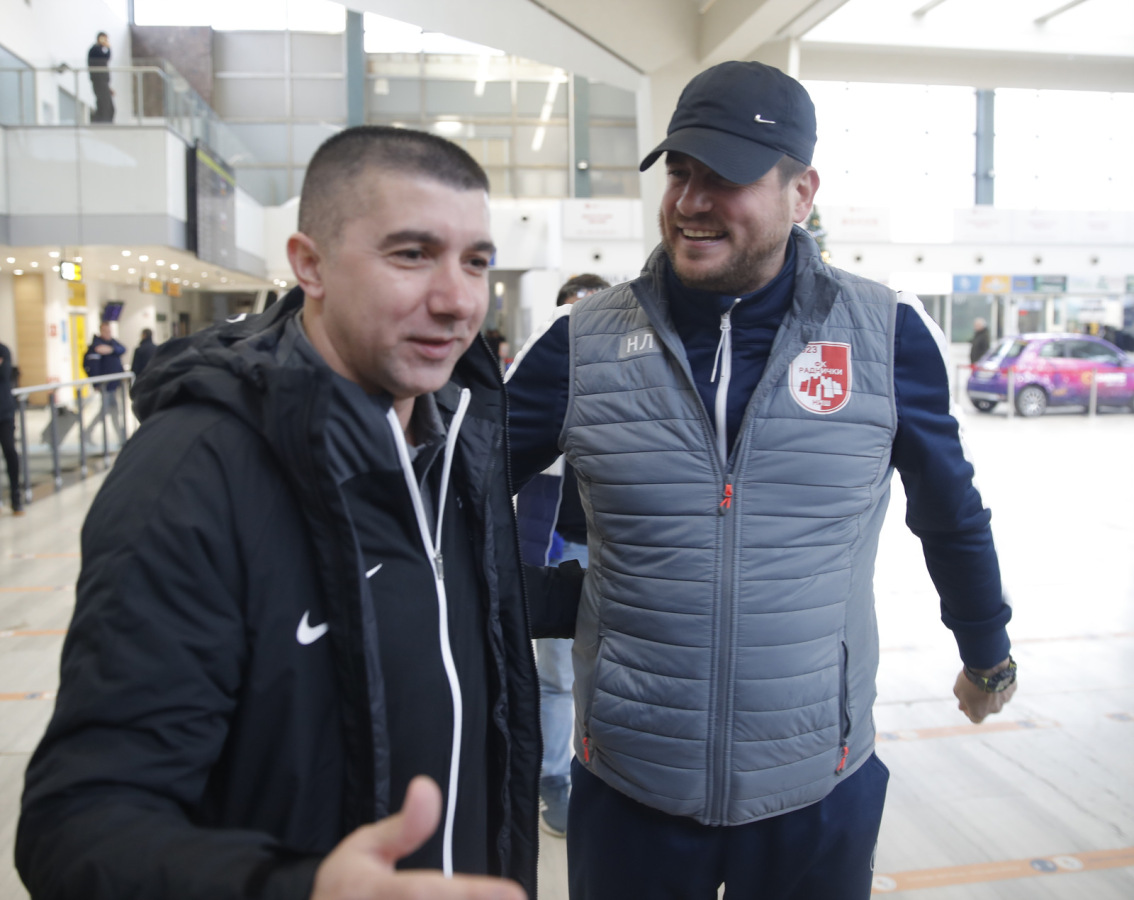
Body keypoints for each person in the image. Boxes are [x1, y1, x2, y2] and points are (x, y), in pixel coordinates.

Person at [17, 125, 582, 900]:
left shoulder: (458, 439)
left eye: (476, 261)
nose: (457, 300)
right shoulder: (196, 471)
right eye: (411, 254)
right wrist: (300, 888)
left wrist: (613, 599)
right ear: (308, 265)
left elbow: (440, 617)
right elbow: (76, 827)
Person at [505, 61, 1016, 900]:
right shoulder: (579, 345)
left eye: (726, 177)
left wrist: (986, 651)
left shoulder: (887, 337)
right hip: (634, 788)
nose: (691, 201)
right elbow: (456, 497)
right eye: (680, 172)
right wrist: (550, 600)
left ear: (801, 193)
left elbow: (949, 512)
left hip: (819, 785)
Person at [514, 273, 610, 838]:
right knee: (555, 679)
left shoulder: (636, 388)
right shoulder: (546, 386)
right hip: (559, 546)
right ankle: (554, 782)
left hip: (616, 550)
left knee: (609, 671)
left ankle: (604, 776)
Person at [82, 321, 127, 447]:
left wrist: (111, 350)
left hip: (114, 384)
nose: (108, 334)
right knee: (108, 411)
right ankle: (87, 433)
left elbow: (123, 349)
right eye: (106, 331)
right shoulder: (95, 347)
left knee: (112, 411)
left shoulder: (112, 343)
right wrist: (96, 383)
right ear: (101, 331)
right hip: (105, 385)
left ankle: (121, 437)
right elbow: (91, 366)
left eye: (109, 331)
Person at [0, 339, 23, 516]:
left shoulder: (4, 350)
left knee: (10, 451)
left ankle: (16, 497)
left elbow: (4, 374)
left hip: (5, 413)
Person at [87, 32, 114, 123]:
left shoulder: (102, 49)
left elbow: (107, 58)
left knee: (109, 107)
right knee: (104, 105)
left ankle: (106, 122)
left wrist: (107, 47)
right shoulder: (94, 49)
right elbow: (102, 56)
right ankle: (101, 122)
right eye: (104, 39)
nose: (105, 41)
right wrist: (104, 46)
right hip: (98, 80)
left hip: (103, 81)